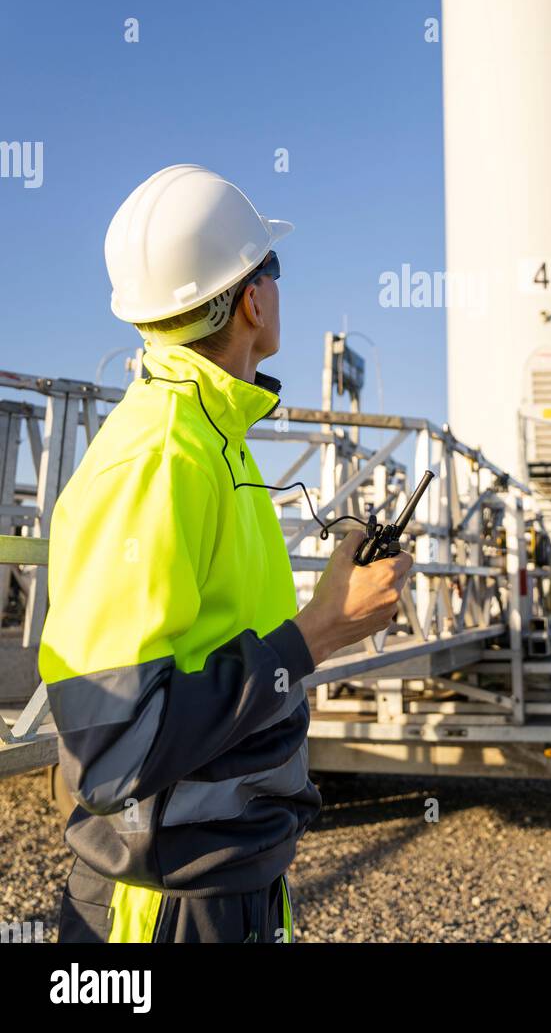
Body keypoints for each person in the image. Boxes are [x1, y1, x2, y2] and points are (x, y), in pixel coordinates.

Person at [39, 163, 412, 943]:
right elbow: (112, 751)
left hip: (228, 874)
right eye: (272, 269)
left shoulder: (215, 440)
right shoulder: (160, 458)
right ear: (251, 298)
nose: (280, 288)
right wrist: (319, 632)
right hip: (162, 903)